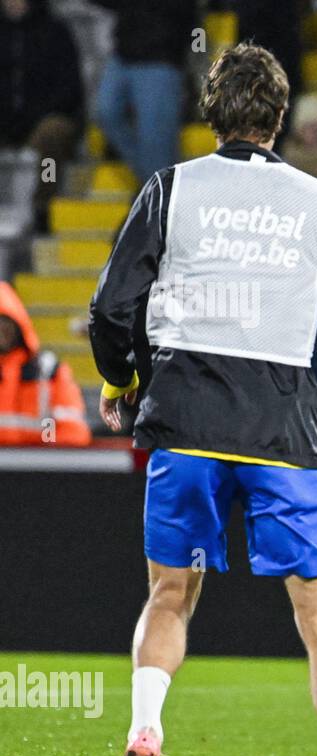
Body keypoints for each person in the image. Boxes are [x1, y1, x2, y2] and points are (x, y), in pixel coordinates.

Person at [88, 43, 317, 756]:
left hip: (184, 418)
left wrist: (123, 383)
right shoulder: (316, 201)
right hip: (280, 426)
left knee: (169, 593)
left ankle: (145, 728)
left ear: (210, 111)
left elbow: (110, 310)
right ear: (281, 118)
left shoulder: (170, 189)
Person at [0, 0, 84, 231]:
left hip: (44, 119)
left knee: (51, 139)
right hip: (7, 123)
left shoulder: (55, 32)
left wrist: (33, 116)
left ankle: (42, 204)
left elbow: (69, 88)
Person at [90, 0, 194, 184]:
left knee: (155, 140)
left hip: (160, 57)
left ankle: (159, 191)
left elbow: (186, 13)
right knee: (106, 112)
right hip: (124, 51)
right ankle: (154, 183)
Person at [0, 281, 90, 446]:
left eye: (5, 321)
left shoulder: (48, 371)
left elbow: (73, 431)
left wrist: (44, 451)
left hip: (38, 468)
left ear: (18, 324)